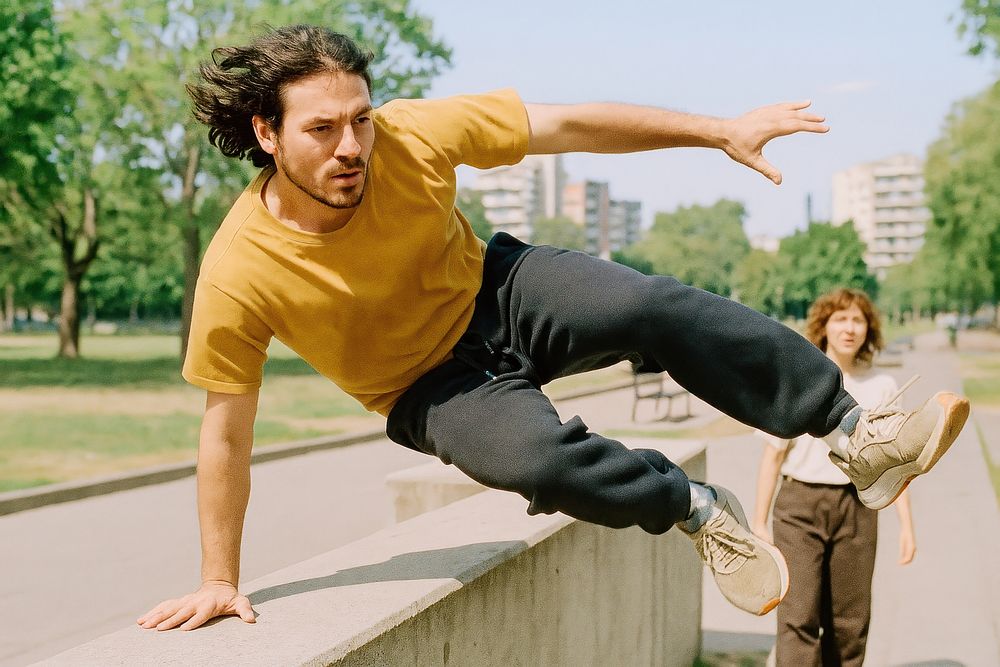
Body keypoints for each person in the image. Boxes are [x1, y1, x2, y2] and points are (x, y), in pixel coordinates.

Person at [136, 25, 969, 632]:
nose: (352, 146)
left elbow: (569, 123)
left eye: (360, 118)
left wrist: (715, 131)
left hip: (503, 287)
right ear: (266, 133)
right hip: (428, 388)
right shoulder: (239, 270)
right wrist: (219, 577)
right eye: (322, 130)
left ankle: (857, 433)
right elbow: (227, 434)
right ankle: (694, 508)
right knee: (536, 463)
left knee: (650, 306)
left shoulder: (412, 134)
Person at [751, 288, 916, 666]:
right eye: (840, 319)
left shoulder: (883, 387)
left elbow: (895, 463)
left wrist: (907, 525)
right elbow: (773, 455)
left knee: (849, 621)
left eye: (858, 319)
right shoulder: (800, 379)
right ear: (823, 326)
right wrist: (758, 523)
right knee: (798, 616)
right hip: (798, 509)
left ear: (868, 329)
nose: (849, 328)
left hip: (857, 507)